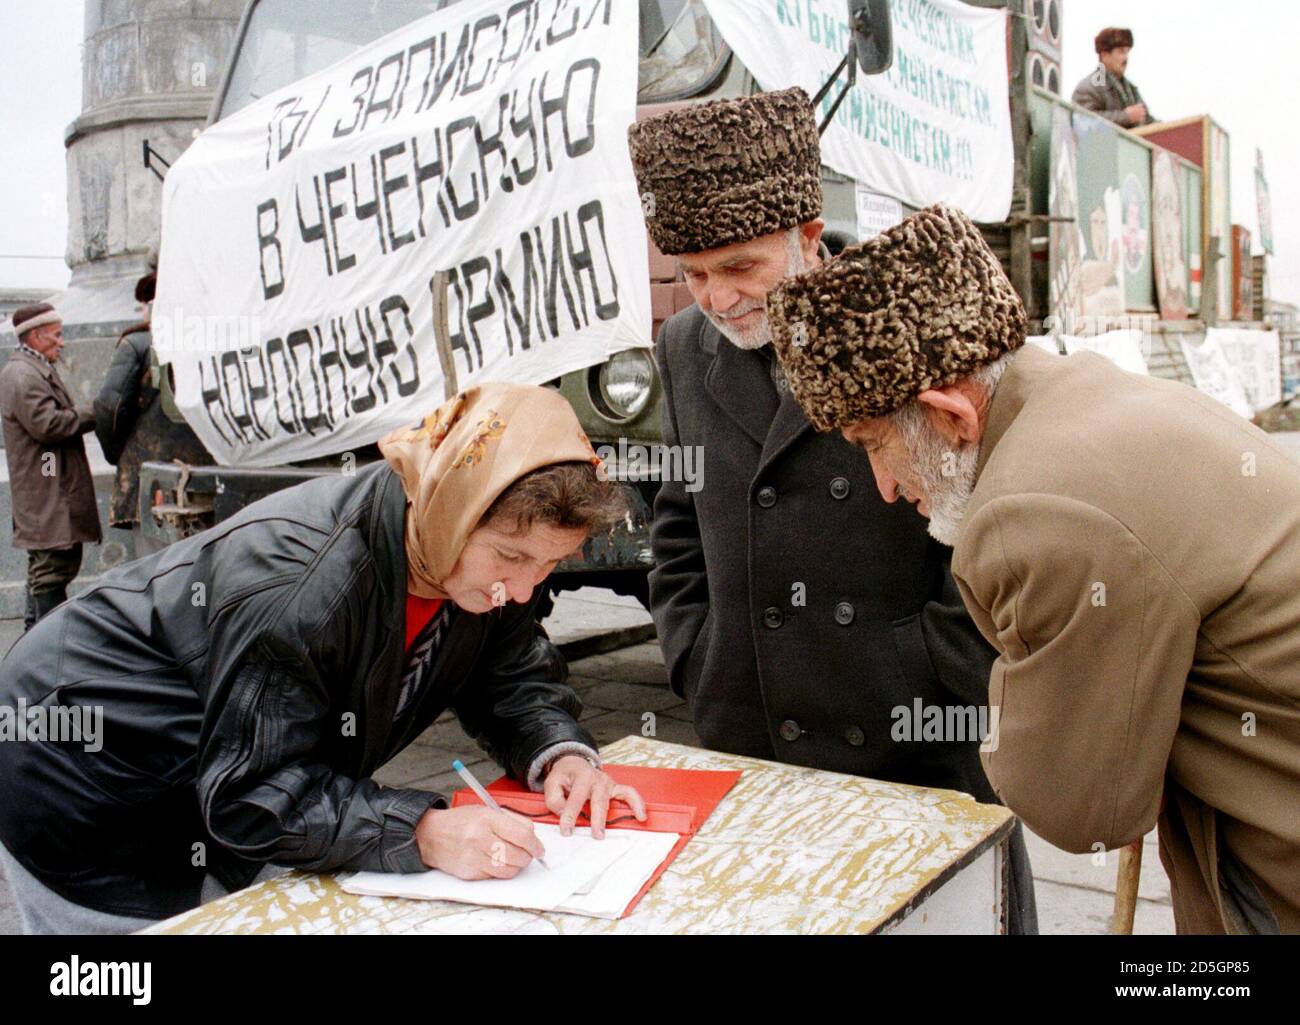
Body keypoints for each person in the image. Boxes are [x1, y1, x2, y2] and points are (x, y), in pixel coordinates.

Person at [768, 203, 1300, 934]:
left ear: (950, 414)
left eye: (871, 444)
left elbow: (1081, 808)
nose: (885, 488)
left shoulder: (1029, 513)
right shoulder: (1082, 391)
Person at [0, 382, 646, 934]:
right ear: (447, 511)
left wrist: (558, 749)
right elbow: (253, 795)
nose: (526, 588)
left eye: (550, 564)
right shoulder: (303, 583)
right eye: (510, 558)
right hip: (86, 773)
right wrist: (420, 829)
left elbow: (508, 675)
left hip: (219, 768)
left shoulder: (485, 554)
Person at [628, 89, 1036, 932]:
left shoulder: (917, 313)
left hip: (915, 748)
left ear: (808, 238)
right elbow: (675, 519)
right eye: (693, 273)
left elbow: (997, 515)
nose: (714, 296)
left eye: (741, 267)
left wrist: (930, 669)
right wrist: (699, 656)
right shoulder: (680, 348)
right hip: (755, 744)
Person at [0, 304, 101, 629]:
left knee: (45, 568)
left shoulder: (30, 369)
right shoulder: (24, 375)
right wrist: (93, 411)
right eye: (56, 335)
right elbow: (48, 425)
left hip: (46, 493)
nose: (62, 342)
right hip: (48, 495)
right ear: (36, 335)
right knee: (53, 569)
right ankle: (48, 651)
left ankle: (33, 645)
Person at [94, 271, 212, 531]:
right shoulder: (218, 337)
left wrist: (117, 453)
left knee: (156, 563)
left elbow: (108, 407)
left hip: (151, 473)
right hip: (210, 474)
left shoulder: (137, 343)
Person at [1072, 27, 1155, 129]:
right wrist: (1125, 117)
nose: (1125, 58)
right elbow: (1083, 120)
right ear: (1104, 56)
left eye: (1127, 52)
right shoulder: (1088, 87)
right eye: (1121, 52)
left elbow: (1149, 122)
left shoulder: (1132, 90)